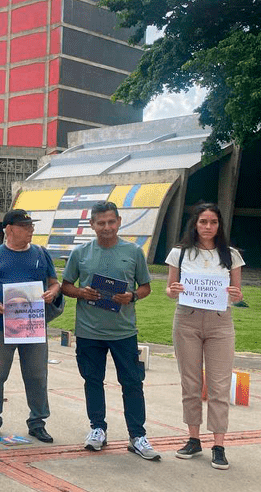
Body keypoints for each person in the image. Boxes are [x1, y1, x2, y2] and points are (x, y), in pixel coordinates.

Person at [60, 201, 159, 460]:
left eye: (111, 222)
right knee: (93, 381)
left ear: (119, 221)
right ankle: (97, 429)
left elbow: (146, 287)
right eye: (101, 223)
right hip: (89, 331)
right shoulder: (80, 253)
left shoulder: (133, 251)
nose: (106, 227)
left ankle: (137, 435)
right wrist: (81, 292)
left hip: (123, 331)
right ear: (92, 225)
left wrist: (133, 296)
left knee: (132, 382)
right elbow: (65, 285)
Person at [165, 202, 244, 470]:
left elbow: (237, 291)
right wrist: (173, 290)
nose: (208, 227)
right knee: (191, 381)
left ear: (219, 225)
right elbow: (169, 290)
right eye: (203, 222)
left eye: (213, 222)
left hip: (220, 322)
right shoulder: (180, 253)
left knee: (219, 385)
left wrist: (237, 295)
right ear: (194, 224)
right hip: (187, 318)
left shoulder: (231, 255)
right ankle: (193, 438)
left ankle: (219, 444)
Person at [0, 209, 60, 443]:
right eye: (25, 226)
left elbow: (55, 283)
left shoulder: (41, 254)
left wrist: (51, 293)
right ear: (9, 229)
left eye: (31, 226)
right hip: (0, 325)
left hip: (33, 325)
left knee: (36, 375)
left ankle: (38, 422)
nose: (31, 230)